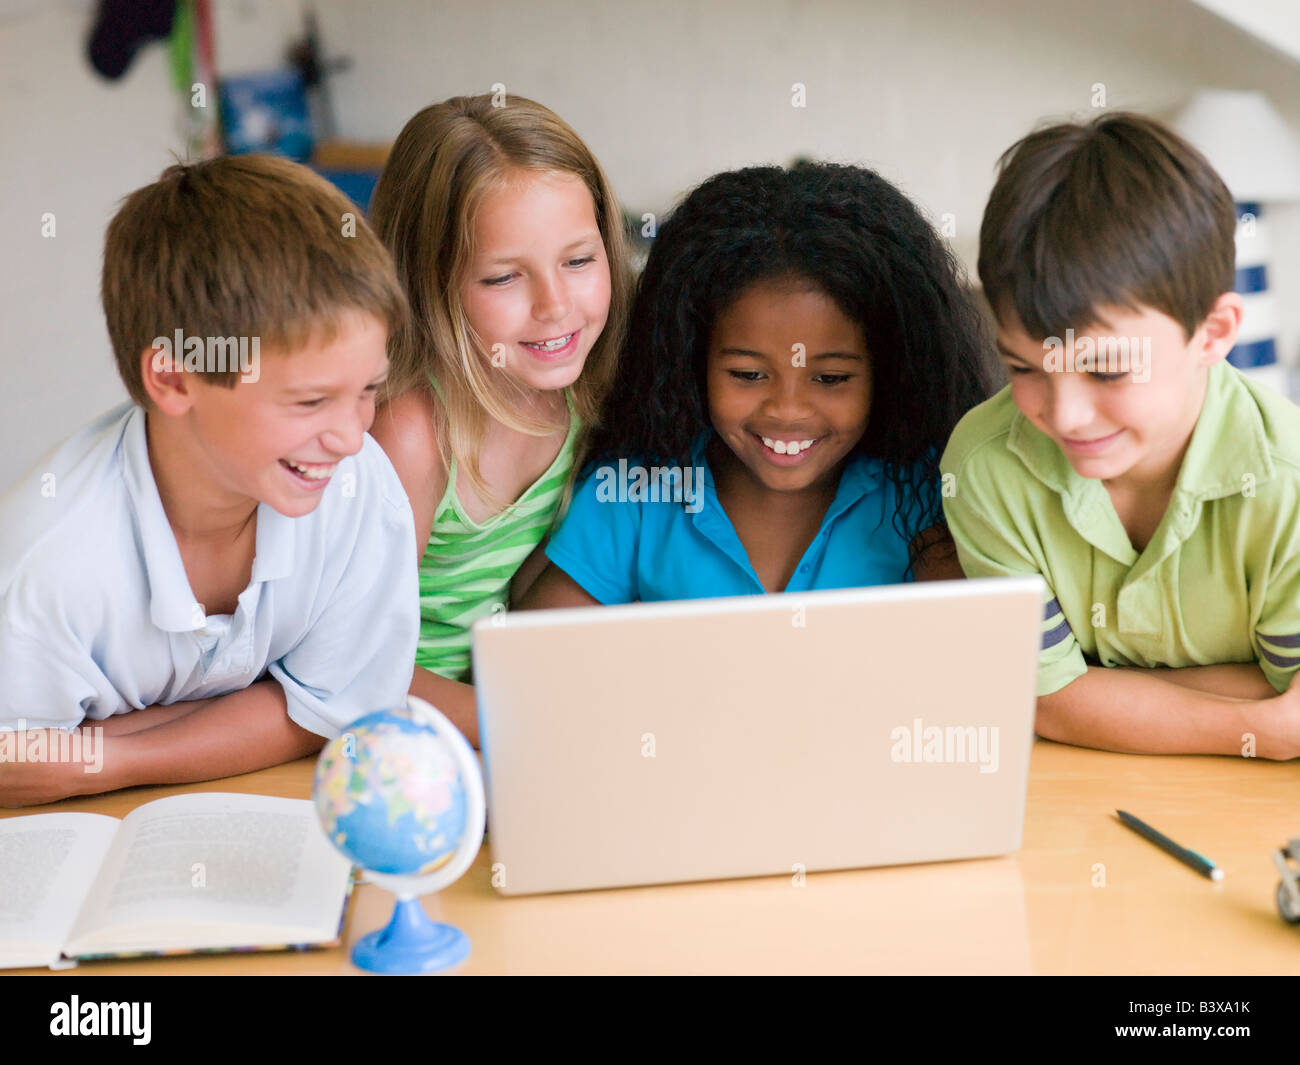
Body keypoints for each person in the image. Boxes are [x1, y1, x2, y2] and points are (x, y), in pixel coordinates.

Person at [0, 154, 418, 805]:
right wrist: (263, 704)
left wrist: (109, 751)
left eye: (368, 390)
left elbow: (335, 711)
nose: (353, 436)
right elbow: (18, 766)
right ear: (172, 378)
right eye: (309, 402)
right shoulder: (48, 564)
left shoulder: (358, 487)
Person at [941, 111, 1300, 760]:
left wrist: (1092, 694)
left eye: (1106, 368)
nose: (1067, 414)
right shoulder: (985, 464)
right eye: (1023, 367)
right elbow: (1043, 700)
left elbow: (1056, 695)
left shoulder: (1287, 479)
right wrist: (1263, 729)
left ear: (1214, 334)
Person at [519, 161, 994, 608]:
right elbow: (530, 667)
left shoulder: (926, 494)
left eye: (830, 378)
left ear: (889, 371)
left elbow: (969, 667)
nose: (787, 410)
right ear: (691, 361)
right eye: (748, 375)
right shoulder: (637, 494)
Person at [369, 94, 632, 746]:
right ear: (427, 281)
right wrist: (523, 724)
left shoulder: (588, 392)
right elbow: (349, 665)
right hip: (401, 731)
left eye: (578, 260)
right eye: (503, 278)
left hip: (500, 716)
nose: (555, 306)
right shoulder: (413, 433)